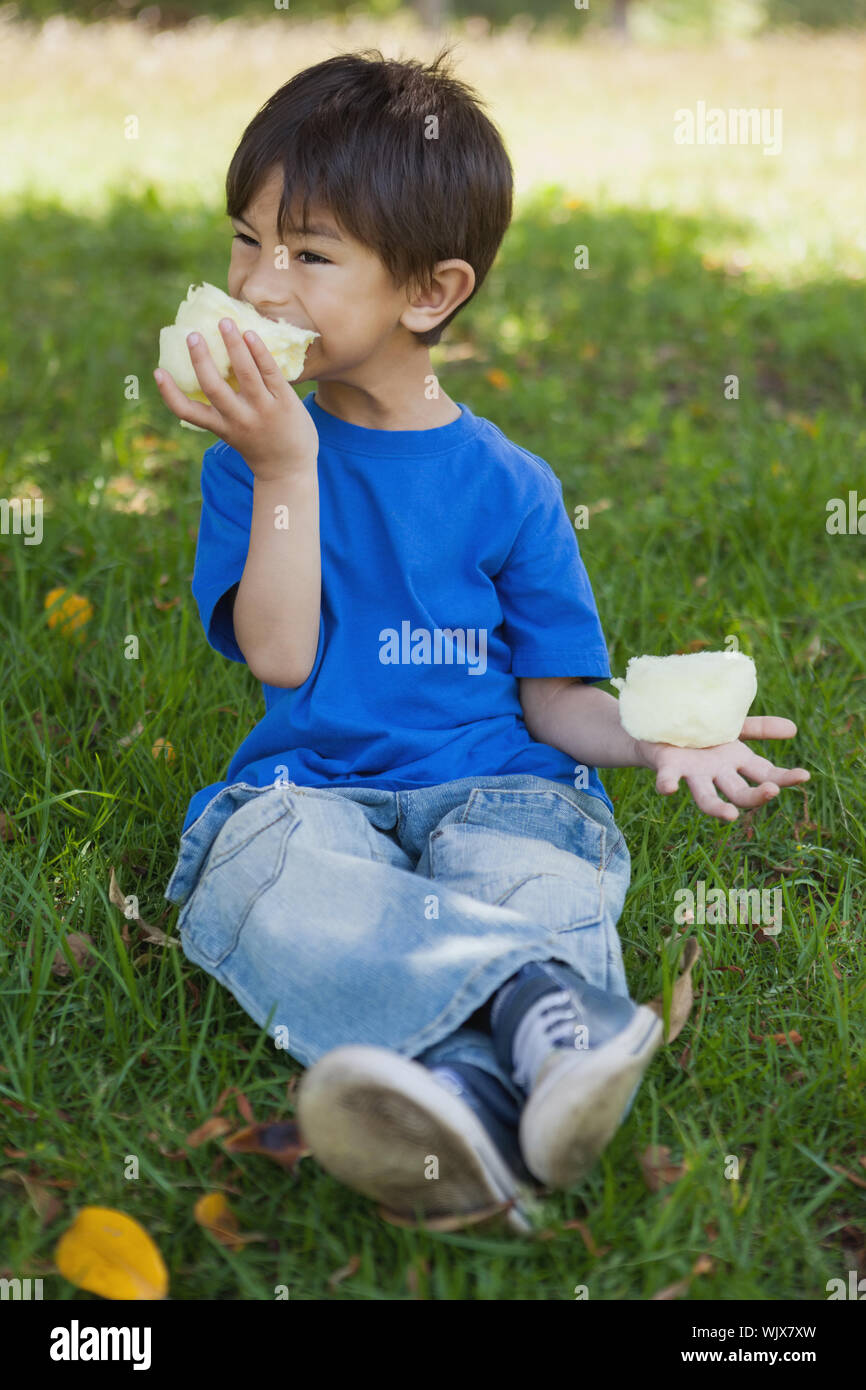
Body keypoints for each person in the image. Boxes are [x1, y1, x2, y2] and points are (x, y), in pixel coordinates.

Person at [155, 49, 809, 1235]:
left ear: (428, 290)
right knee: (268, 877)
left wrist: (659, 733)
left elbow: (555, 698)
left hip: (498, 784)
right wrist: (285, 465)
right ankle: (518, 1038)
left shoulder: (510, 485)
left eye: (306, 253)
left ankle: (467, 1080)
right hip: (315, 792)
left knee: (531, 873)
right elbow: (281, 660)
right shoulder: (249, 463)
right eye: (243, 241)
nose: (258, 283)